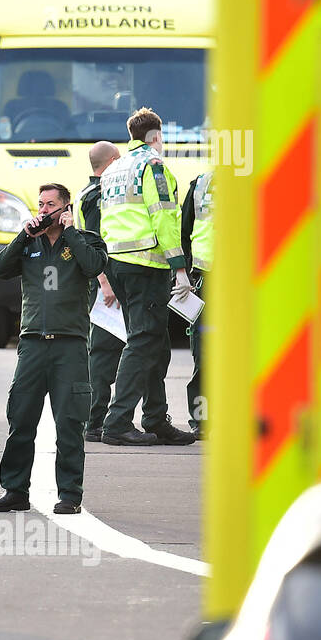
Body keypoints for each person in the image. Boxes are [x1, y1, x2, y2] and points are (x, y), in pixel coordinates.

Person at [0, 184, 107, 514]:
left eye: (50, 204)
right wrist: (22, 236)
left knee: (69, 424)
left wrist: (71, 232)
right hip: (33, 344)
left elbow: (94, 266)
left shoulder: (85, 241)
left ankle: (69, 494)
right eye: (40, 204)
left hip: (69, 345)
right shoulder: (29, 244)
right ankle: (15, 490)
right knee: (21, 419)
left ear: (65, 208)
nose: (43, 210)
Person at [98, 108, 196, 446]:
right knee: (143, 341)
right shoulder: (152, 165)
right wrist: (179, 267)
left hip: (118, 262)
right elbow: (164, 217)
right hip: (146, 264)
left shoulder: (114, 169)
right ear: (156, 137)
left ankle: (156, 417)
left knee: (154, 342)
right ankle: (117, 422)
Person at [74, 141, 125, 441]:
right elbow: (94, 244)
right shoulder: (98, 197)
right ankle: (93, 421)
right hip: (103, 286)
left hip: (97, 283)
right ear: (113, 160)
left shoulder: (86, 192)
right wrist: (105, 284)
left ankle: (95, 419)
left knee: (104, 352)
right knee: (103, 354)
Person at [180, 169, 213, 439]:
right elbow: (185, 232)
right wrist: (187, 272)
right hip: (208, 279)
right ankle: (201, 419)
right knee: (204, 353)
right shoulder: (201, 183)